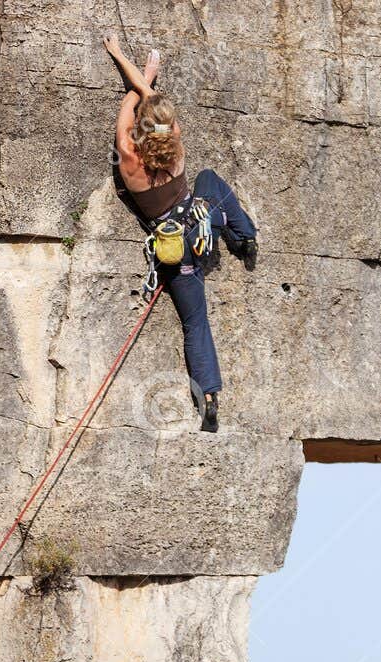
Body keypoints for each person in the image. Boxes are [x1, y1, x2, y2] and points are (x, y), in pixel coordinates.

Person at [103, 35, 258, 434]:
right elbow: (154, 108)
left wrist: (123, 62)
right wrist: (147, 77)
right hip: (203, 225)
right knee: (210, 181)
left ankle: (208, 395)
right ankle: (245, 237)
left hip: (176, 253)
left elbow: (130, 108)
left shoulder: (128, 157)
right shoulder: (176, 147)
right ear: (168, 128)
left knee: (195, 323)